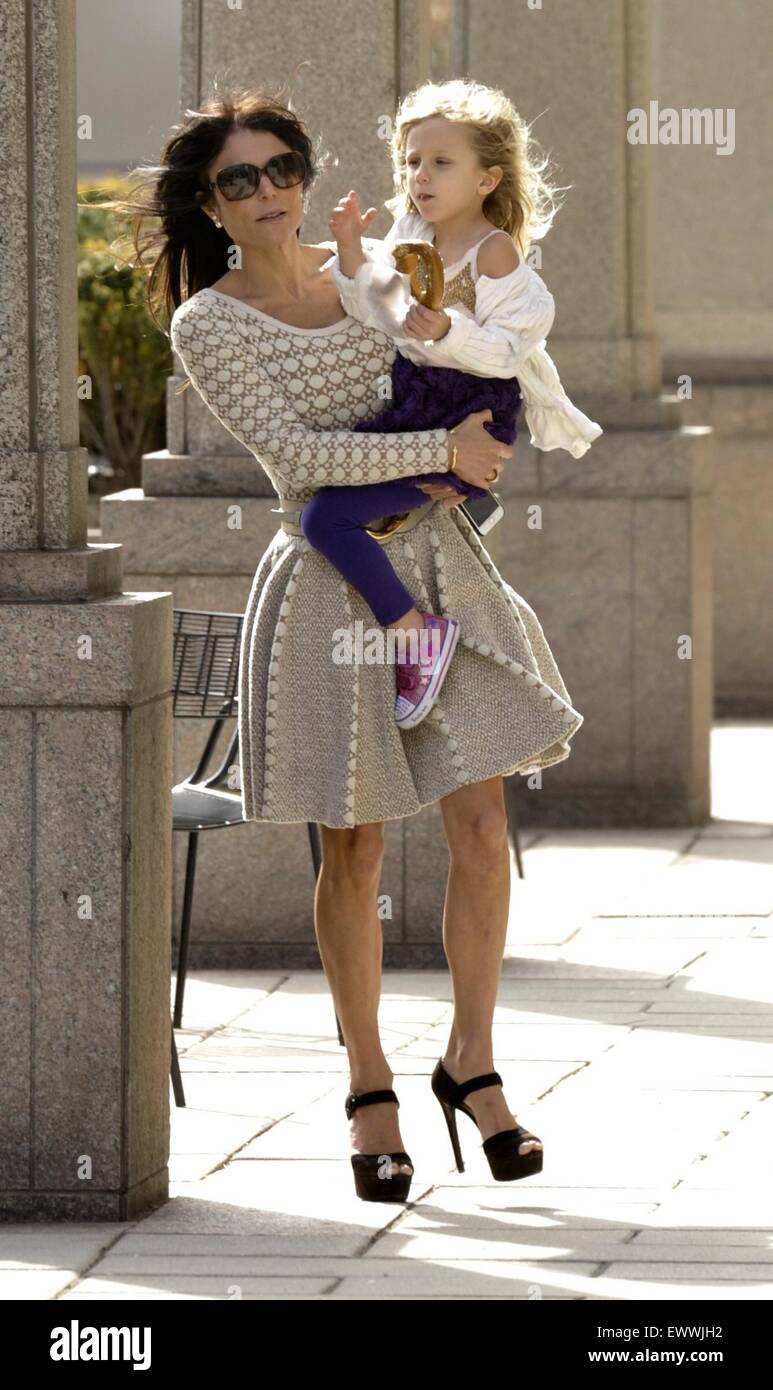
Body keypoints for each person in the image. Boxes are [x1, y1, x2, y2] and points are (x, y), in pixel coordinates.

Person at [108, 83, 586, 1203]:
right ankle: (369, 1086)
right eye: (238, 179)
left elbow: (475, 353)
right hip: (330, 588)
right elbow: (296, 457)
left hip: (442, 559)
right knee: (355, 848)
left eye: (282, 168)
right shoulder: (207, 322)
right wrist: (446, 449)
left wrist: (476, 435)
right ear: (210, 204)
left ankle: (472, 1062)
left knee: (483, 825)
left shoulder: (379, 267)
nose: (267, 191)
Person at [298, 78, 601, 736]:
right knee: (331, 500)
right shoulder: (411, 233)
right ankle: (433, 530)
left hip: (469, 410)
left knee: (325, 518)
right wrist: (350, 250)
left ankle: (415, 635)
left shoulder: (494, 251)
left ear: (487, 179)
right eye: (411, 161)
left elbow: (510, 348)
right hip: (415, 404)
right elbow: (375, 305)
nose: (420, 175)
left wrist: (447, 331)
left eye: (440, 162)